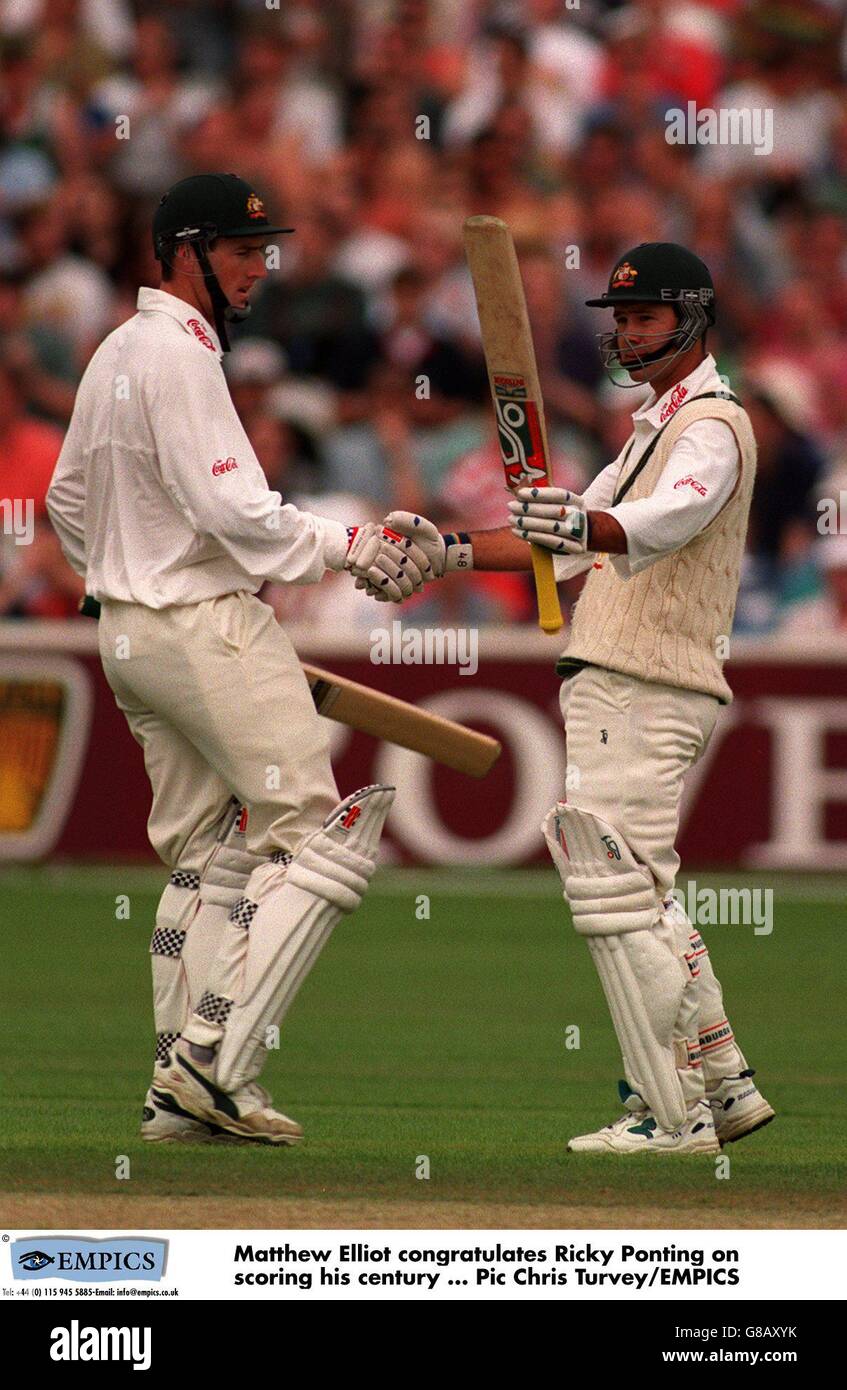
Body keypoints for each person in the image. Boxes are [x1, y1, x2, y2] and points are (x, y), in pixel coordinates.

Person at [365, 242, 775, 1155]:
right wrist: (452, 549)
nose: (628, 335)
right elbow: (566, 544)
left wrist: (589, 523)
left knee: (614, 897)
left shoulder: (709, 423)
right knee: (645, 895)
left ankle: (668, 1112)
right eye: (620, 320)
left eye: (646, 318)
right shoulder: (650, 424)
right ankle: (725, 1081)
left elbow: (668, 517)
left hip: (651, 680)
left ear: (694, 319)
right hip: (622, 678)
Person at [45, 173, 430, 1145]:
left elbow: (64, 504)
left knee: (206, 852)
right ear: (184, 252)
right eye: (243, 252)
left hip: (129, 632)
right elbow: (234, 512)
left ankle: (175, 1086)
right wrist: (354, 548)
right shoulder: (180, 355)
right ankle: (210, 1060)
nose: (260, 270)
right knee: (316, 831)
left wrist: (125, 580)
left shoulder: (114, 352)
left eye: (265, 252)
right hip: (204, 622)